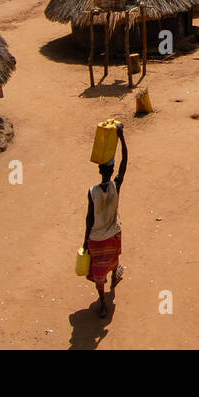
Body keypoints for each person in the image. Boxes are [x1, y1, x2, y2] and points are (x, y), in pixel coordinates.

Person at [83, 124, 128, 317]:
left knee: (99, 270)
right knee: (113, 259)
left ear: (100, 170)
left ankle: (103, 305)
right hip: (112, 234)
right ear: (111, 171)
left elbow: (89, 218)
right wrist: (122, 137)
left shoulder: (92, 192)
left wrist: (85, 242)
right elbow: (125, 162)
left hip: (96, 237)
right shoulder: (115, 186)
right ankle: (115, 277)